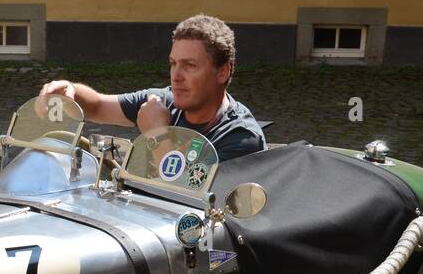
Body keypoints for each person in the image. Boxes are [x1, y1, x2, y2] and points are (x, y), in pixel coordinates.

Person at [39, 14, 266, 163]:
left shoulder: (241, 138)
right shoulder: (161, 102)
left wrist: (157, 134)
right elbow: (98, 107)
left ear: (223, 72)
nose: (176, 76)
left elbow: (188, 195)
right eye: (173, 63)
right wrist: (69, 91)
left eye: (190, 65)